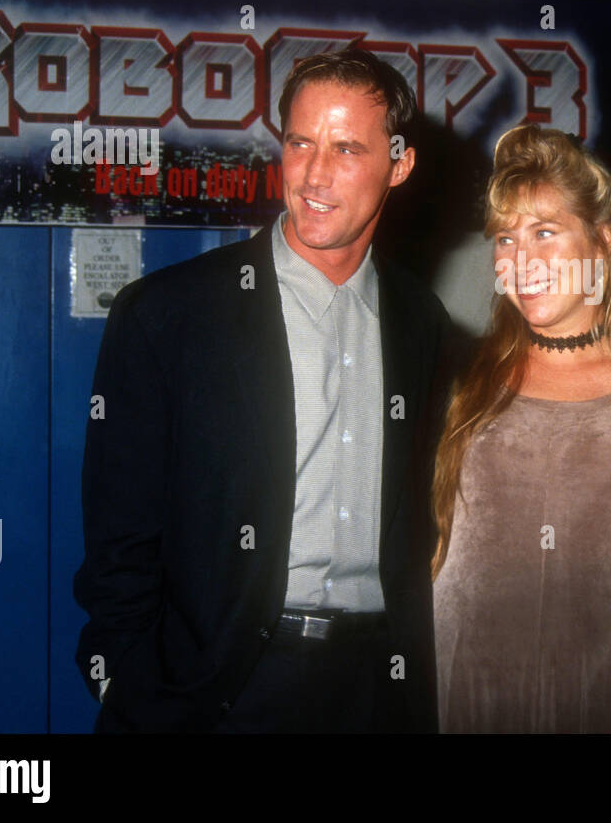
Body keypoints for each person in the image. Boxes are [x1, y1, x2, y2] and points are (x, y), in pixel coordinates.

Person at [73, 48, 451, 733]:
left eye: (346, 149)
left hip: (379, 691)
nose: (313, 173)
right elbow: (118, 534)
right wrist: (125, 682)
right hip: (220, 690)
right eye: (300, 142)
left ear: (400, 165)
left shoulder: (423, 321)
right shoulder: (169, 313)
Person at [430, 125, 611, 733]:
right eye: (505, 238)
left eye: (545, 232)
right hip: (468, 703)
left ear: (603, 242)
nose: (520, 261)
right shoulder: (454, 382)